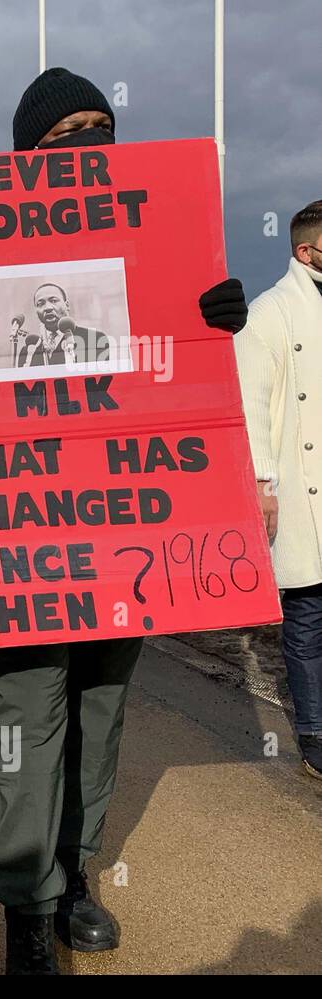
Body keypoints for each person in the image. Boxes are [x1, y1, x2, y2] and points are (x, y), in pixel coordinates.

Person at [0, 67, 248, 974]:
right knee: (26, 717)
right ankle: (24, 905)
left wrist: (214, 325)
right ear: (22, 162)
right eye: (63, 135)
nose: (87, 143)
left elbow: (180, 376)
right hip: (21, 546)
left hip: (119, 542)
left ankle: (75, 877)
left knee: (99, 709)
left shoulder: (149, 259)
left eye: (102, 127)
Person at [234, 199, 322, 780]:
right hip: (300, 485)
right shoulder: (268, 313)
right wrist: (264, 483)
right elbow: (251, 407)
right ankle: (315, 732)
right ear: (307, 250)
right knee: (309, 611)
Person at [11, 282, 113, 368]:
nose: (48, 307)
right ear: (36, 312)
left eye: (54, 301)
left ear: (67, 305)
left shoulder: (94, 339)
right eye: (40, 304)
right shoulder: (29, 350)